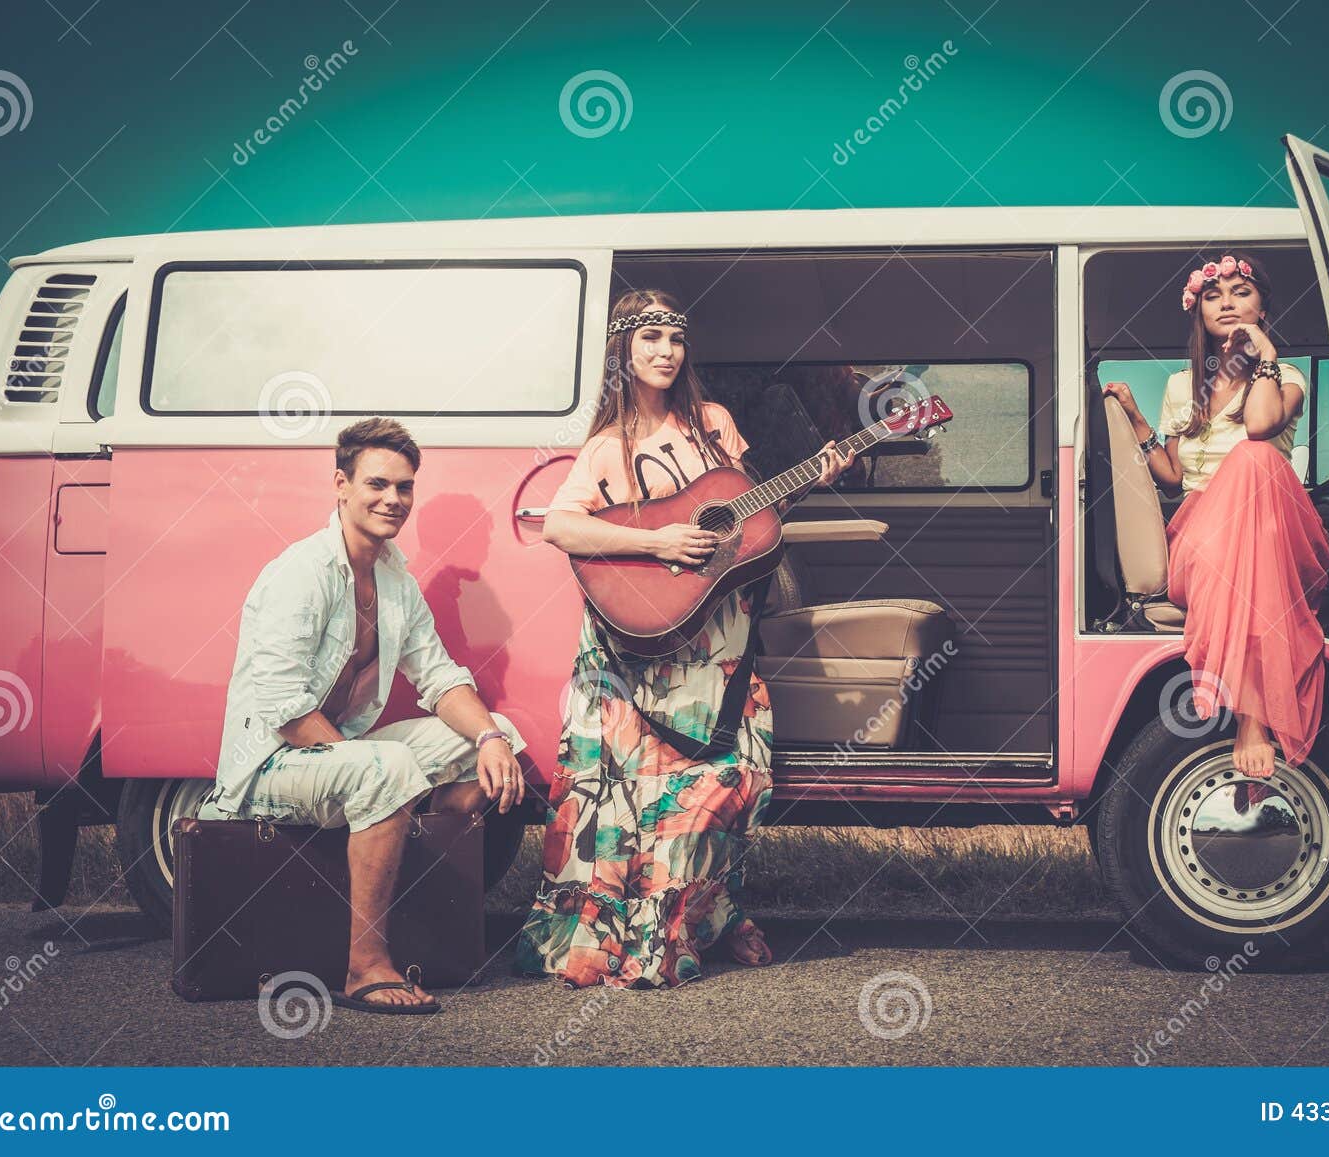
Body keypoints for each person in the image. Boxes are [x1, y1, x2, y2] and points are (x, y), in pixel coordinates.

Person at [516, 289, 853, 988]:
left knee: (723, 784)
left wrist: (814, 478)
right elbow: (561, 525)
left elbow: (751, 514)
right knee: (635, 794)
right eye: (650, 340)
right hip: (641, 651)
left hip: (718, 643)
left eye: (674, 338)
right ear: (624, 353)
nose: (666, 351)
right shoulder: (610, 447)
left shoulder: (714, 425)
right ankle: (634, 934)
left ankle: (696, 916)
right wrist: (656, 535)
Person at [200, 417, 527, 1014]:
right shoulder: (302, 572)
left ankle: (420, 907)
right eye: (377, 484)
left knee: (495, 734)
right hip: (271, 767)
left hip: (337, 756)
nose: (393, 500)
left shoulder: (395, 581)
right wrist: (364, 765)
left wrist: (486, 738)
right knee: (385, 766)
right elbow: (282, 707)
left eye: (404, 488)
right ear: (340, 485)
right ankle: (365, 967)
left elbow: (441, 678)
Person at [1103, 252, 1329, 779]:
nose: (1227, 302)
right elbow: (1173, 477)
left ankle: (1254, 718)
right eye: (1213, 295)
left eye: (1240, 292)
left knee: (1253, 460)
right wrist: (1139, 421)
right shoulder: (1183, 387)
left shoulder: (1286, 376)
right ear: (1199, 312)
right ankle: (1253, 711)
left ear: (1262, 306)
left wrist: (1264, 354)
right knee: (1235, 496)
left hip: (1276, 527)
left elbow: (1259, 426)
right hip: (1201, 534)